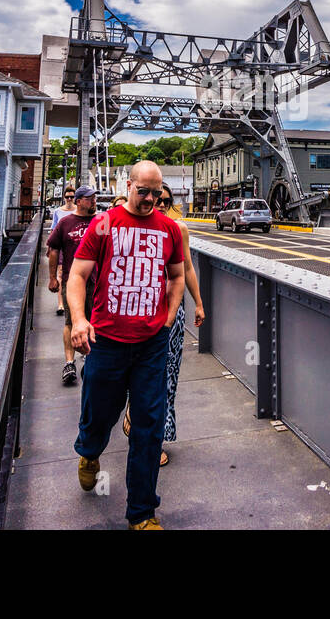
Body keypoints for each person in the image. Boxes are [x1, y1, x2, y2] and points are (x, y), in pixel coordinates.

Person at [67, 161, 185, 530]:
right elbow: (77, 275)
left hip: (152, 344)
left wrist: (169, 316)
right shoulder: (103, 225)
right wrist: (79, 318)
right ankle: (89, 453)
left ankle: (143, 513)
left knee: (149, 428)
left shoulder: (169, 229)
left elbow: (178, 276)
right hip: (106, 341)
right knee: (99, 413)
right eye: (143, 191)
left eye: (157, 193)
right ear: (129, 185)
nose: (151, 199)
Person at [122, 181, 205, 466]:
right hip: (137, 313)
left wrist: (199, 303)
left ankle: (153, 441)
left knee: (166, 378)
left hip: (171, 316)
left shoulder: (177, 229)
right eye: (156, 198)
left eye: (165, 201)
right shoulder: (131, 226)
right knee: (138, 374)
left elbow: (187, 268)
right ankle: (134, 412)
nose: (159, 205)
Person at [46, 185, 98, 385]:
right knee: (71, 321)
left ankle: (91, 357)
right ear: (78, 201)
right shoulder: (66, 222)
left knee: (94, 320)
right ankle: (69, 362)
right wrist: (53, 278)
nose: (93, 201)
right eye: (88, 198)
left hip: (96, 280)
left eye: (94, 198)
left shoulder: (100, 221)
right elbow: (54, 250)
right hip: (71, 280)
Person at [50, 186, 77, 315]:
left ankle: (72, 301)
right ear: (64, 198)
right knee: (60, 273)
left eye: (72, 197)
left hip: (76, 245)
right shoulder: (58, 211)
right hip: (61, 245)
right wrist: (50, 247)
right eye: (67, 197)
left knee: (74, 273)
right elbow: (53, 230)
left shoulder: (79, 211)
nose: (69, 199)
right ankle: (61, 304)